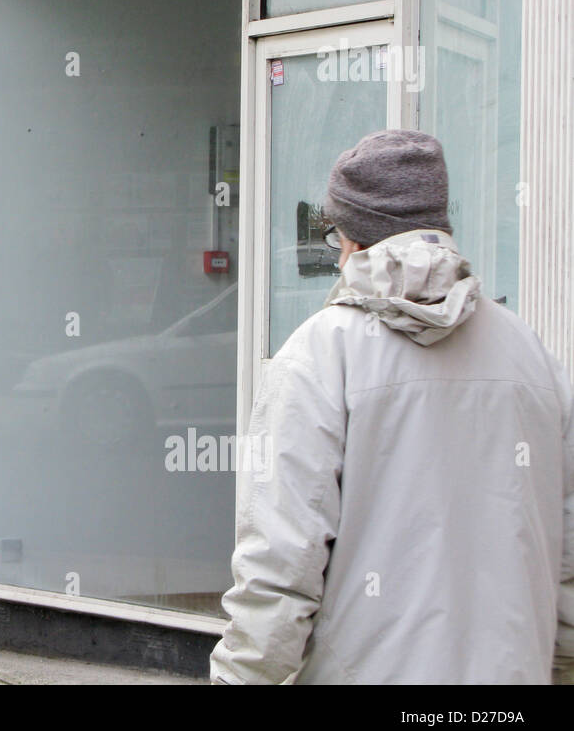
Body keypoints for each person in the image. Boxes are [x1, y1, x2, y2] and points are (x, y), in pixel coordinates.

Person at [211, 130, 574, 685]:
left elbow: (280, 566)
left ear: (353, 238)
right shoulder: (535, 358)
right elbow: (567, 560)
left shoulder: (319, 354)